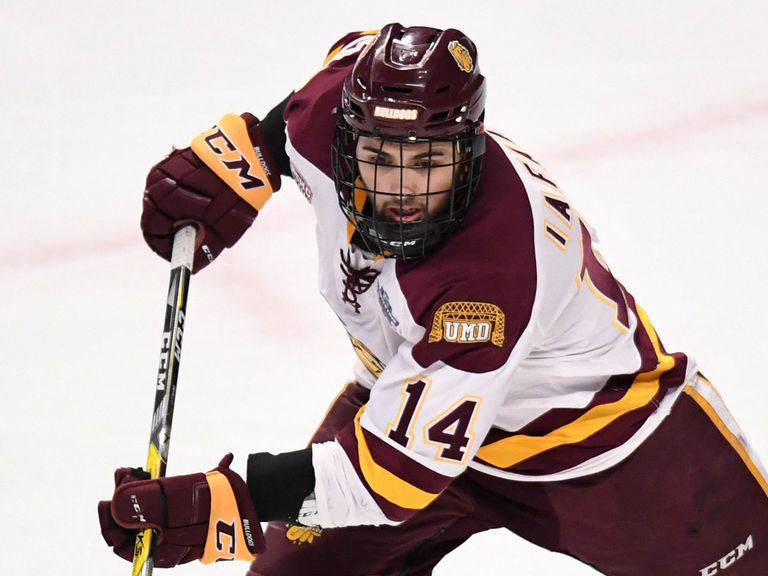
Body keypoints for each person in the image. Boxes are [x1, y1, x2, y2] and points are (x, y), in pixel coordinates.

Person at [98, 23, 768, 575]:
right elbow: (336, 66)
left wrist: (225, 502)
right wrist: (244, 157)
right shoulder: (325, 114)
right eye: (380, 157)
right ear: (343, 135)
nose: (400, 190)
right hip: (409, 401)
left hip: (606, 449)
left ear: (469, 150)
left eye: (428, 164)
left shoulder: (493, 270)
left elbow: (388, 480)